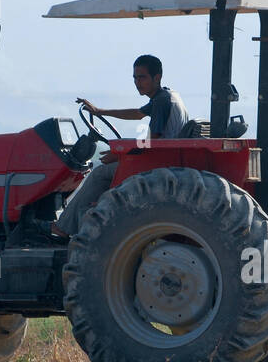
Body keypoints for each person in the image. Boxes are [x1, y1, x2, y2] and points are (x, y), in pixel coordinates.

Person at [54, 55, 190, 236]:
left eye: (142, 77)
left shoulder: (161, 101)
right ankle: (85, 218)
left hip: (157, 162)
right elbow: (137, 114)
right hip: (162, 159)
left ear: (156, 78)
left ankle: (63, 227)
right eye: (134, 77)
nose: (137, 82)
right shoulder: (167, 96)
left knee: (99, 173)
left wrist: (120, 155)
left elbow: (151, 142)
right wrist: (99, 111)